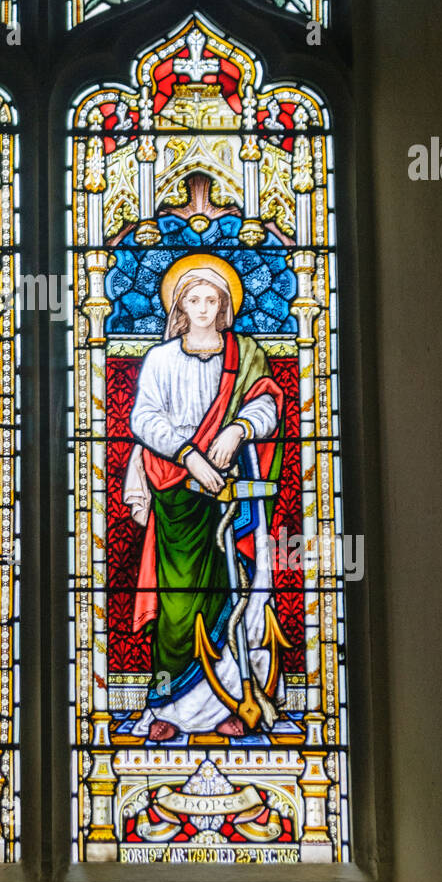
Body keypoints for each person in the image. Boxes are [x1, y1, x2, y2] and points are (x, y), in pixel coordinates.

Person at [122, 254, 285, 741]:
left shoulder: (246, 354)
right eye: (192, 299)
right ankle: (170, 708)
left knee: (238, 595)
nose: (202, 307)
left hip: (235, 491)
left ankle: (238, 701)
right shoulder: (161, 359)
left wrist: (237, 429)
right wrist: (190, 455)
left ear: (224, 306)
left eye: (211, 299)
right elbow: (143, 419)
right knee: (177, 606)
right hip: (178, 493)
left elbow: (267, 405)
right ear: (179, 306)